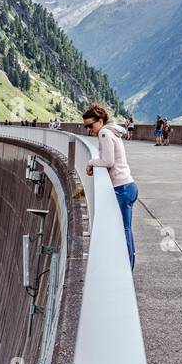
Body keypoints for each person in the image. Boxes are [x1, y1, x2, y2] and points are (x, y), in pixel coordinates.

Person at [82, 103, 139, 269]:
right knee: (126, 228)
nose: (88, 130)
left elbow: (108, 161)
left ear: (100, 121)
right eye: (86, 126)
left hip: (121, 188)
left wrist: (91, 162)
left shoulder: (105, 133)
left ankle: (127, 268)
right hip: (129, 186)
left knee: (123, 229)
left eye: (90, 125)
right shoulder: (112, 131)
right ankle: (128, 264)